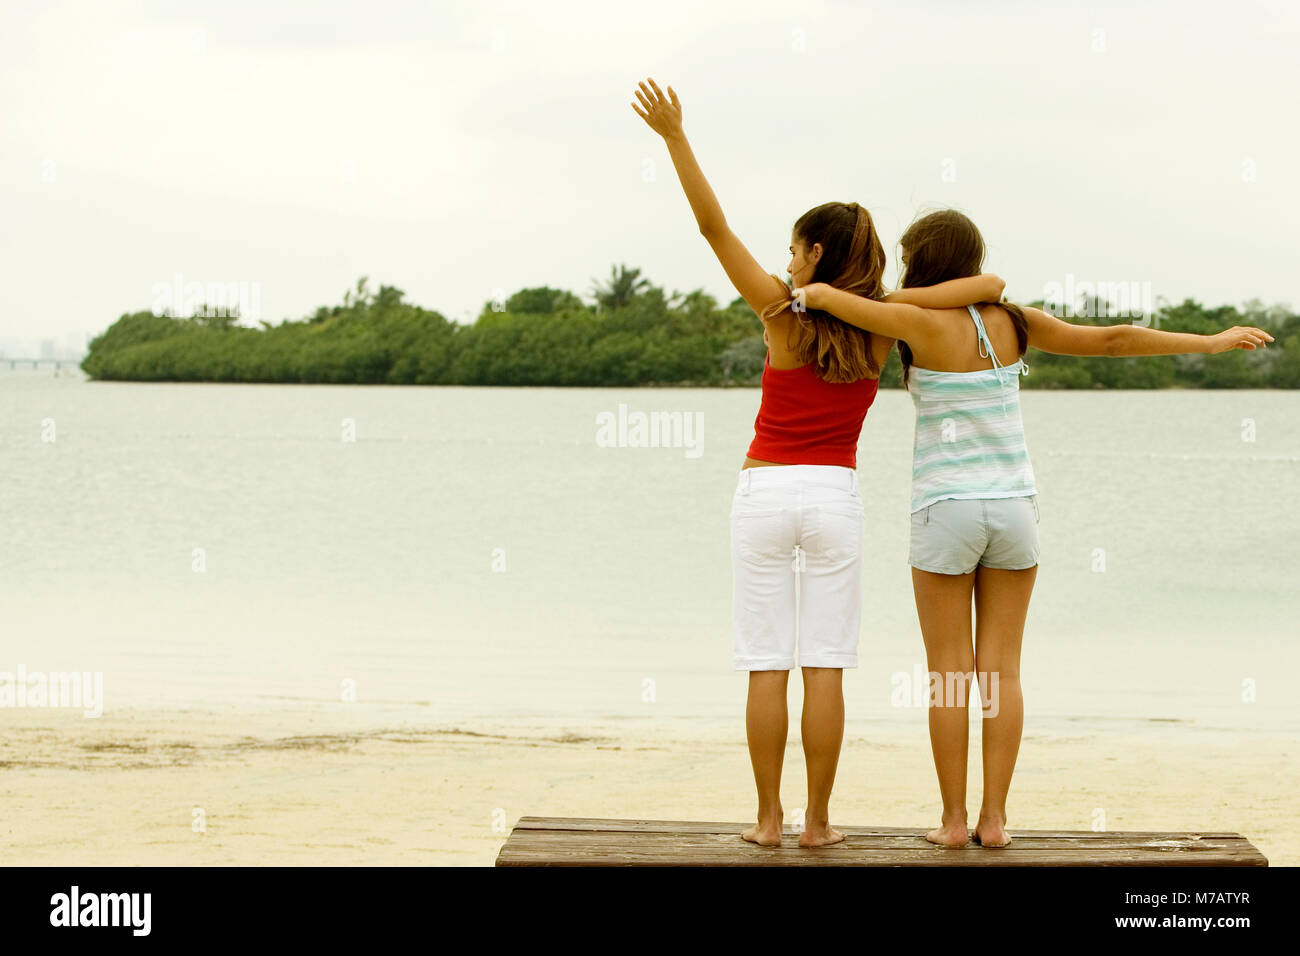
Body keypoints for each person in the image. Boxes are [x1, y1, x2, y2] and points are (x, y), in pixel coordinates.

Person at [796, 208, 1272, 847]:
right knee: (1003, 672)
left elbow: (866, 307)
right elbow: (1114, 339)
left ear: (926, 263)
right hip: (1014, 506)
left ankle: (954, 822)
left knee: (948, 673)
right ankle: (995, 819)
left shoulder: (912, 321)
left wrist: (820, 291)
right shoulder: (1015, 323)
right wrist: (1210, 343)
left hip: (945, 507)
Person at [632, 80, 1003, 847]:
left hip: (764, 491)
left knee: (766, 663)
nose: (785, 259)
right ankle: (820, 824)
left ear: (817, 252)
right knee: (825, 666)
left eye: (795, 247)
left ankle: (769, 822)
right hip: (834, 498)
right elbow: (988, 286)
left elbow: (711, 227)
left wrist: (674, 138)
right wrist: (839, 292)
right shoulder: (882, 322)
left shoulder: (780, 311)